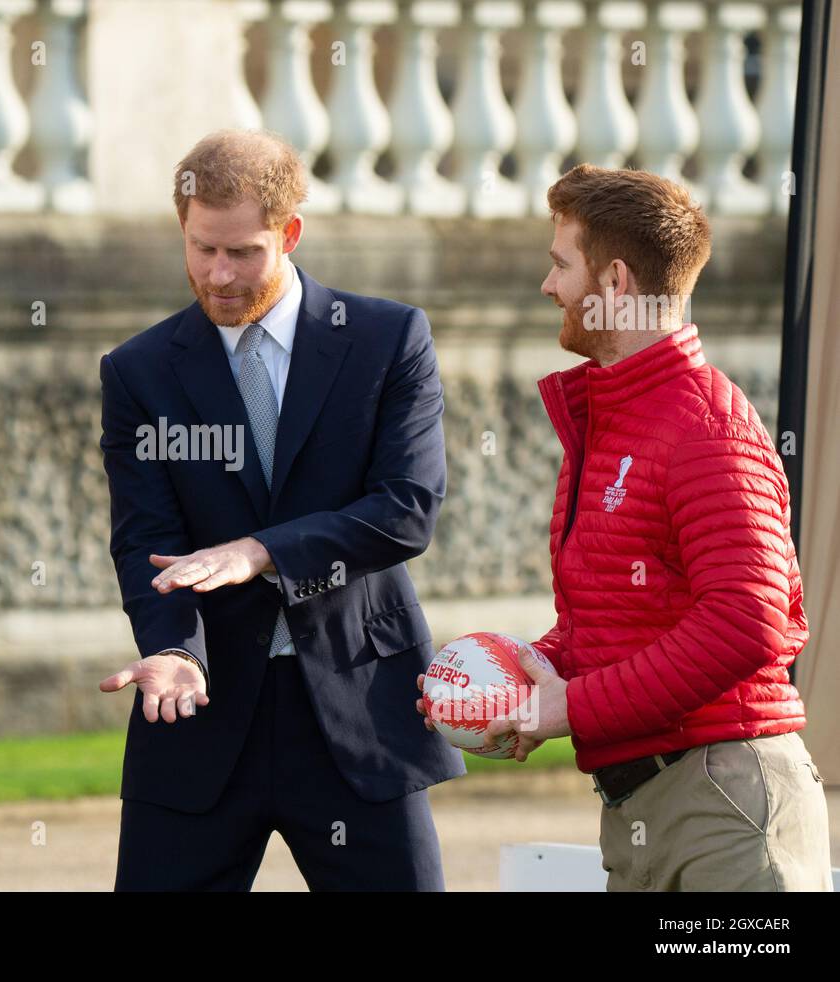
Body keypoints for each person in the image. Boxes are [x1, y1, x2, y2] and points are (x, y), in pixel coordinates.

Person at [421, 163, 831, 892]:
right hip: (644, 809)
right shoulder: (614, 415)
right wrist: (521, 682)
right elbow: (615, 622)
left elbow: (749, 621)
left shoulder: (706, 426)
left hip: (724, 811)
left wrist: (567, 706)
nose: (548, 287)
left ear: (614, 284)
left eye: (560, 264)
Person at [98, 129, 463, 891]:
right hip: (199, 716)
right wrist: (174, 649)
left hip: (357, 714)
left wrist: (260, 550)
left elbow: (406, 508)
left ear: (289, 234)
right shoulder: (138, 372)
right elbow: (147, 541)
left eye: (243, 253)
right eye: (202, 250)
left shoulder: (387, 340)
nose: (219, 275)